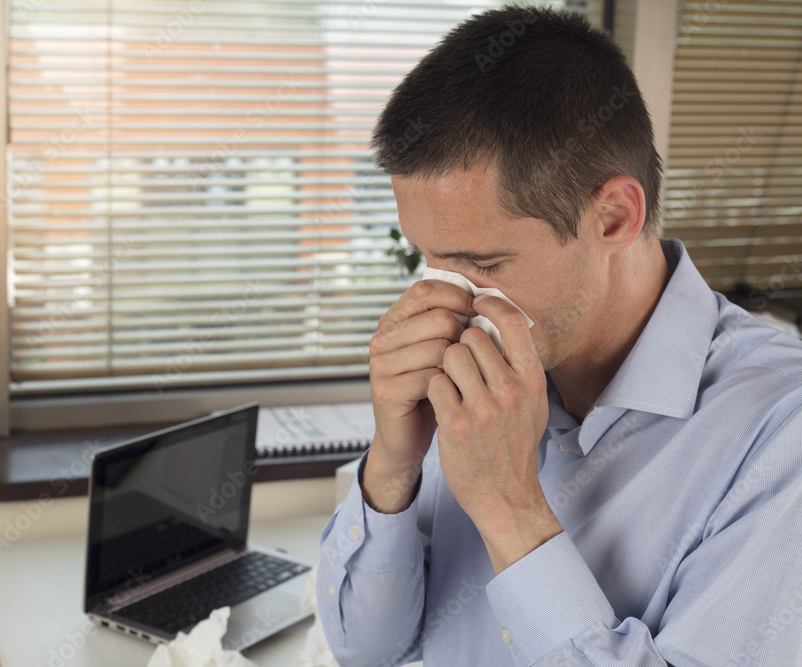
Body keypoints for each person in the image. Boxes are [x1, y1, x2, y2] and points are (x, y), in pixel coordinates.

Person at [316, 6, 802, 667]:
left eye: (484, 264)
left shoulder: (780, 435)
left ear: (613, 217)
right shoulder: (467, 373)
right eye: (435, 261)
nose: (450, 304)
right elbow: (366, 651)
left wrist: (509, 506)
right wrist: (391, 471)